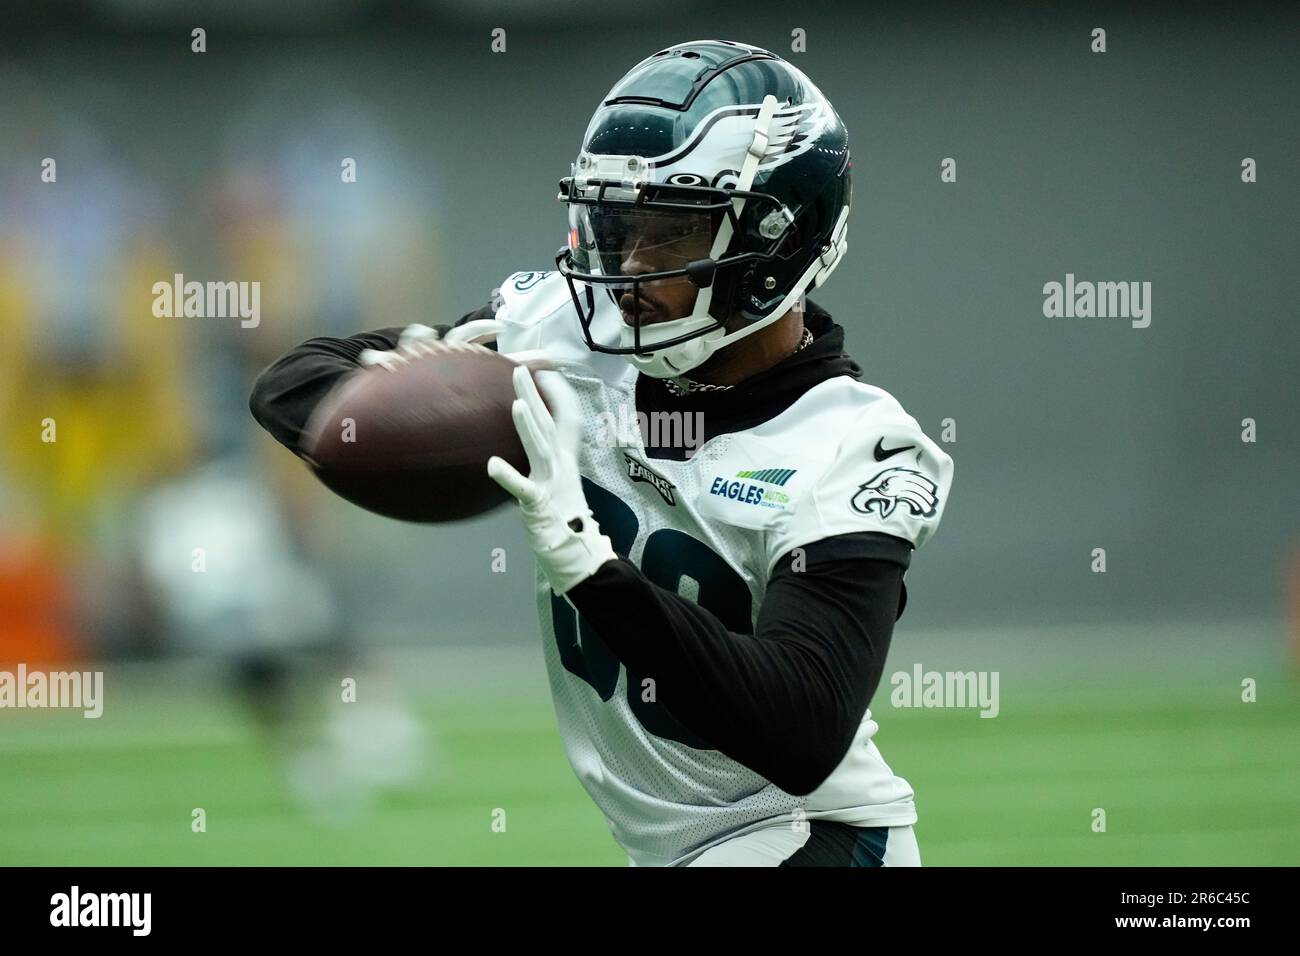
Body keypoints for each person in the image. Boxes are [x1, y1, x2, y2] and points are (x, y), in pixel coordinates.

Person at [250, 39, 953, 867]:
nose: (626, 269)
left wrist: (594, 571)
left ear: (775, 246)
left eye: (669, 236)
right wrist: (412, 364)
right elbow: (290, 386)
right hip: (682, 849)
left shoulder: (854, 448)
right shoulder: (563, 337)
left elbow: (802, 728)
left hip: (806, 838)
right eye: (618, 226)